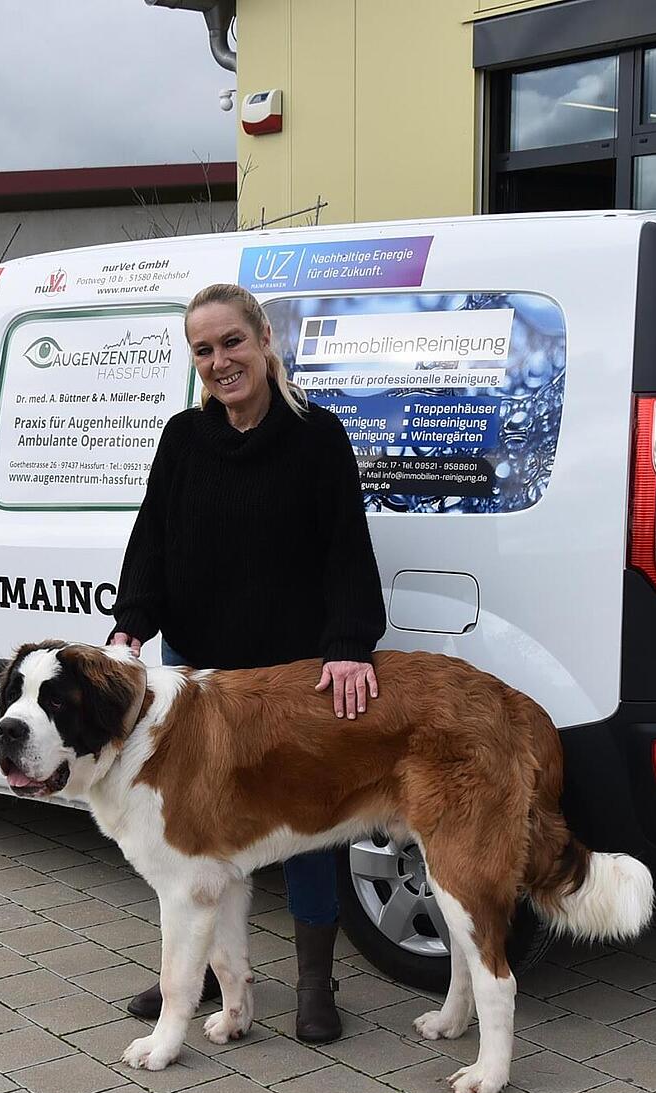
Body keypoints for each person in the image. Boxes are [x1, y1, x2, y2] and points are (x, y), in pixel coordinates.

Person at [106, 282, 386, 1044]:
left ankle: (315, 980)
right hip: (196, 672)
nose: (220, 361)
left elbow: (346, 547)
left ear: (265, 340)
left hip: (289, 678)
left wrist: (350, 644)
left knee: (304, 827)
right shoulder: (183, 438)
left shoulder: (317, 436)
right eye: (203, 350)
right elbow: (152, 540)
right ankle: (196, 975)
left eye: (232, 341)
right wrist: (130, 628)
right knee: (188, 832)